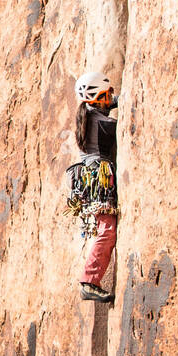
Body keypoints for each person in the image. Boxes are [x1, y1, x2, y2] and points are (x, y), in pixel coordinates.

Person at [65, 71, 118, 303]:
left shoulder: (90, 112)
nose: (112, 96)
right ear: (96, 98)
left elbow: (108, 106)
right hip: (97, 178)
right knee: (106, 230)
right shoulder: (98, 120)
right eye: (108, 94)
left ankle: (91, 280)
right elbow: (116, 125)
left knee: (104, 229)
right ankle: (89, 282)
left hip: (91, 178)